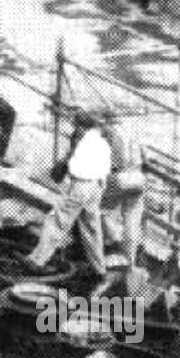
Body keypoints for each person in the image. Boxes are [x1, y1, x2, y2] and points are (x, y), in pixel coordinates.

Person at [26, 112, 112, 283]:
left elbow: (74, 166)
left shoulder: (83, 140)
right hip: (97, 186)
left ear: (81, 125)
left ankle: (37, 261)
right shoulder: (102, 141)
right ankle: (99, 269)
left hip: (81, 185)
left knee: (56, 221)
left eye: (75, 124)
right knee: (91, 229)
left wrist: (64, 168)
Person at [98, 113, 147, 297]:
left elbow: (107, 163)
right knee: (132, 220)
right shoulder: (135, 132)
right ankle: (131, 262)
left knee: (102, 211)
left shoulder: (108, 132)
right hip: (139, 178)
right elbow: (147, 159)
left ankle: (114, 243)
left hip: (120, 177)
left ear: (109, 121)